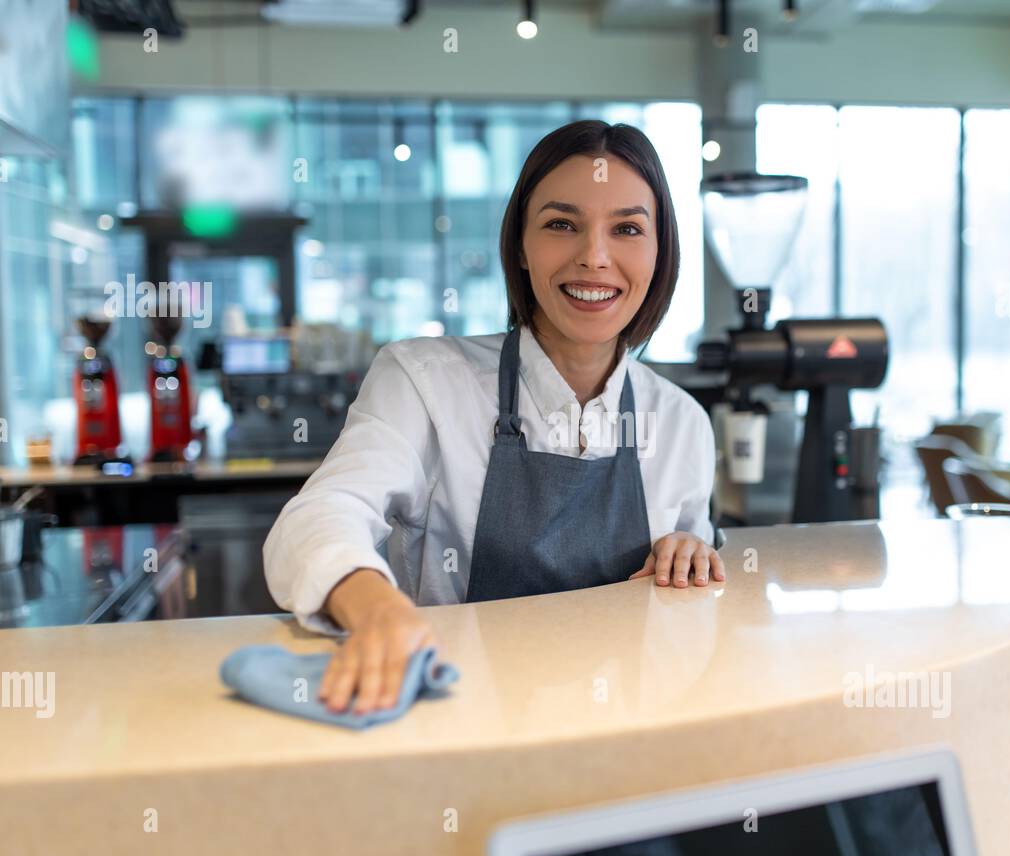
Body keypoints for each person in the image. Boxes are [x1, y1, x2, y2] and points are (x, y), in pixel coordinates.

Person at [263, 120, 724, 716]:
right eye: (562, 224)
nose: (594, 257)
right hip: (457, 728)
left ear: (659, 254)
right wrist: (375, 609)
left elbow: (688, 607)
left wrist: (689, 551)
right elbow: (320, 517)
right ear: (522, 248)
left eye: (628, 229)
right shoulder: (425, 381)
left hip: (620, 733)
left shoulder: (681, 421)